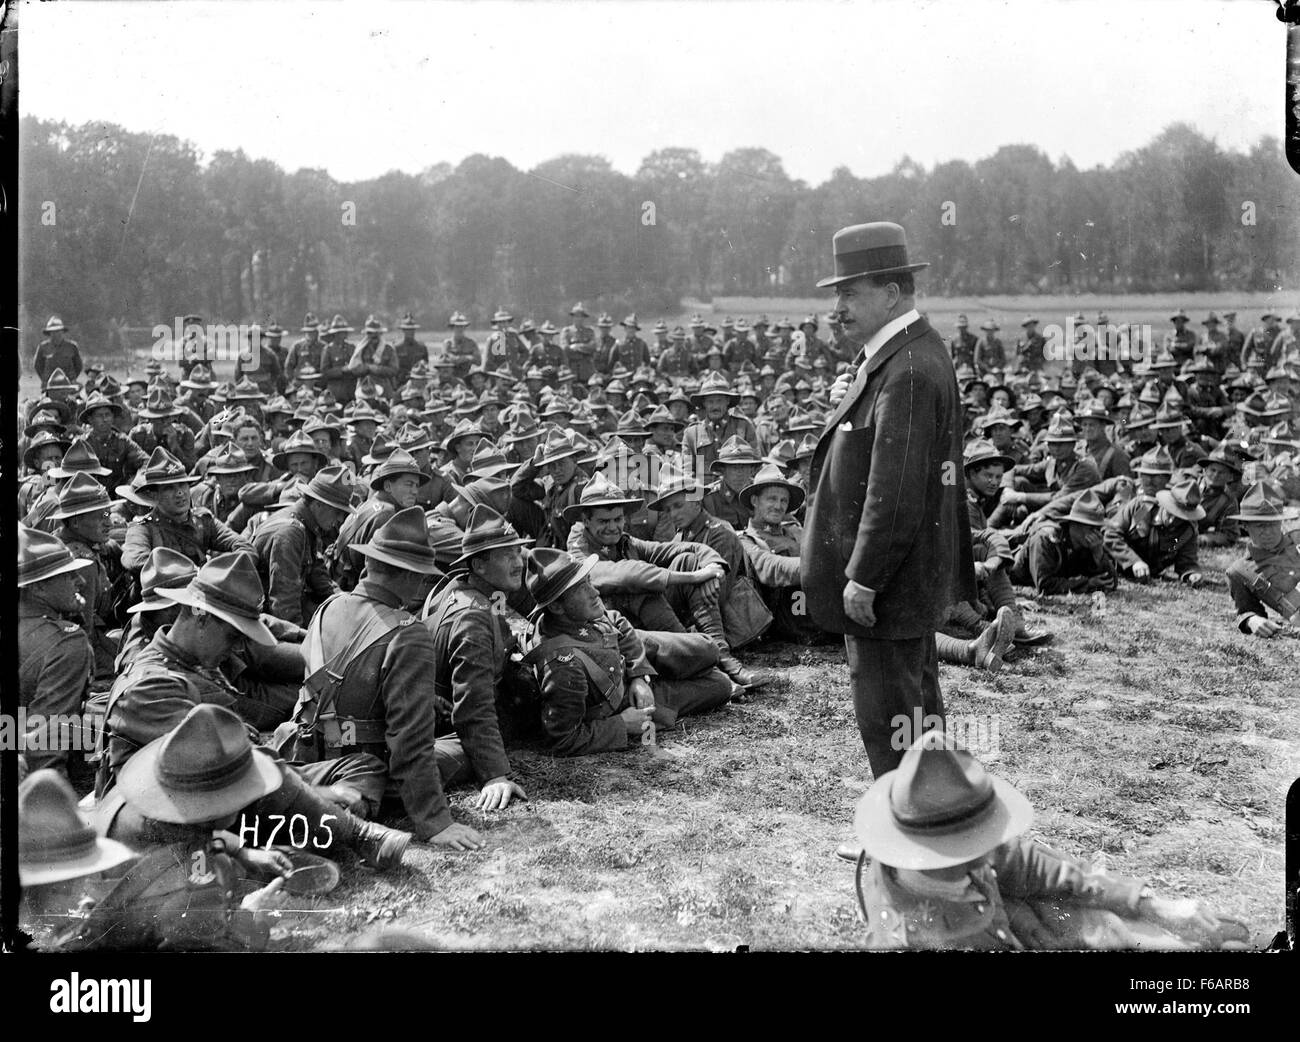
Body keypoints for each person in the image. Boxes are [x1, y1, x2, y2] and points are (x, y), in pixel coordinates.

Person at [802, 222, 974, 802]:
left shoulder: (905, 370)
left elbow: (894, 493)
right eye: (838, 294)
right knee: (915, 707)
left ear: (894, 293)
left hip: (887, 580)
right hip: (906, 575)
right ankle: (936, 817)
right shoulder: (904, 356)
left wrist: (864, 577)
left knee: (890, 713)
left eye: (851, 292)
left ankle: (910, 839)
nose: (839, 307)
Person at [97, 558, 411, 868]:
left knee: (363, 766)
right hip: (174, 817)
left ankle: (311, 829)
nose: (236, 649)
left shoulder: (193, 662)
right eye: (233, 636)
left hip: (228, 792)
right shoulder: (149, 687)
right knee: (281, 778)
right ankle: (353, 834)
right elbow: (229, 769)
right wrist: (317, 792)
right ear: (200, 615)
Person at [850, 729, 1251, 950]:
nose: (995, 842)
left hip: (1021, 922)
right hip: (1009, 934)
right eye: (981, 838)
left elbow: (1032, 865)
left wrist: (1151, 905)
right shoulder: (908, 938)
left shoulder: (946, 849)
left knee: (1138, 929)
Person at [280, 507, 485, 850]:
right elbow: (410, 740)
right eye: (422, 576)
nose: (423, 584)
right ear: (407, 575)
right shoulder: (407, 633)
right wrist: (435, 822)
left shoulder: (328, 605)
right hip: (364, 765)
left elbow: (344, 681)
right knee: (464, 750)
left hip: (305, 752)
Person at [522, 548, 733, 756]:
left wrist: (639, 676)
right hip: (623, 702)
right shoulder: (563, 667)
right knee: (720, 686)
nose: (594, 591)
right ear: (557, 607)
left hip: (630, 658)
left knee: (709, 649)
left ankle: (670, 671)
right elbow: (562, 739)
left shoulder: (574, 613)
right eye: (581, 588)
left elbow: (615, 619)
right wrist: (623, 723)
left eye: (588, 580)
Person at [566, 474, 760, 687]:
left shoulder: (624, 542)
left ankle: (722, 657)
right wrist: (693, 577)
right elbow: (622, 573)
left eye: (618, 520)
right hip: (613, 634)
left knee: (687, 559)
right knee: (642, 588)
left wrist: (713, 568)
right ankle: (705, 664)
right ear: (586, 521)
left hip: (647, 623)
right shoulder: (579, 547)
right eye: (604, 521)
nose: (612, 527)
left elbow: (683, 548)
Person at [423, 506, 533, 812]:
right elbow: (474, 705)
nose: (518, 562)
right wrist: (495, 773)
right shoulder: (474, 617)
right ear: (480, 566)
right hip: (446, 725)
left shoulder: (461, 587)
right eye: (507, 555)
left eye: (517, 551)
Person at [18, 526, 96, 777]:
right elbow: (46, 741)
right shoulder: (66, 643)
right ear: (38, 588)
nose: (81, 581)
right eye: (68, 575)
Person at [250, 464, 357, 626]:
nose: (341, 519)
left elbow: (318, 574)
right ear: (319, 504)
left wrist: (345, 603)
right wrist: (300, 639)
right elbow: (283, 603)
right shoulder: (291, 532)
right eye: (338, 511)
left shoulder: (307, 525)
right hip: (259, 617)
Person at [121, 447, 252, 571]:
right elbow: (134, 560)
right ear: (155, 495)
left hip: (200, 590)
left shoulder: (202, 520)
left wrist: (219, 572)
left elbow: (244, 546)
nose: (179, 493)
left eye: (182, 485)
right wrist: (187, 571)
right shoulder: (142, 528)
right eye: (169, 488)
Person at [329, 448, 429, 591]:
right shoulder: (387, 515)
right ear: (388, 486)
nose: (414, 491)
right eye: (408, 484)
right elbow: (378, 573)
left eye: (416, 485)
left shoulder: (368, 504)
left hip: (340, 582)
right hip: (353, 590)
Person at [1224, 481, 1300, 638]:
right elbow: (1245, 610)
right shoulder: (1240, 571)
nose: (1268, 532)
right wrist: (1252, 620)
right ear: (1245, 526)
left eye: (1273, 524)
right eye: (1259, 525)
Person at [1103, 473, 1205, 585]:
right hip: (1111, 564)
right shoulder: (1142, 509)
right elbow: (1110, 534)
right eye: (1170, 512)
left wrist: (1192, 574)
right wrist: (1133, 561)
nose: (1172, 520)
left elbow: (1187, 561)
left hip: (1147, 574)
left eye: (1180, 518)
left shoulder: (1187, 530)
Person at [1008, 491, 1118, 594]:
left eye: (1098, 528)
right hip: (1011, 576)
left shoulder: (1088, 543)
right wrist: (1087, 584)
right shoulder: (1045, 538)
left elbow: (1111, 582)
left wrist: (1098, 554)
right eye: (1091, 527)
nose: (1096, 534)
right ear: (1075, 524)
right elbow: (1044, 585)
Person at [33, 315, 84, 384]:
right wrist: (45, 380)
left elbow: (78, 366)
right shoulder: (43, 347)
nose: (56, 334)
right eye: (53, 332)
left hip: (68, 384)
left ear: (62, 332)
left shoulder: (72, 347)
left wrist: (71, 379)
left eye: (58, 331)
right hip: (49, 385)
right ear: (49, 333)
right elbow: (38, 366)